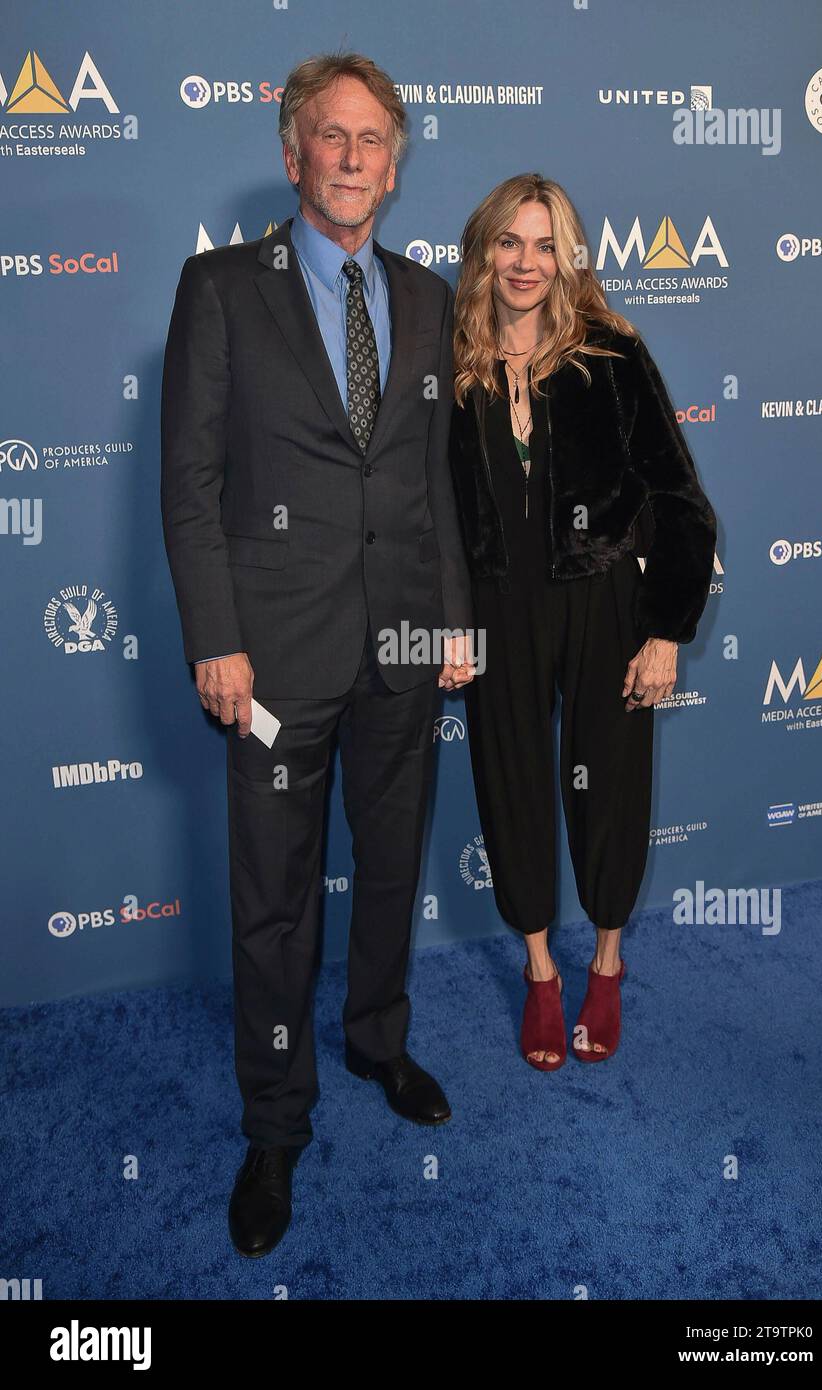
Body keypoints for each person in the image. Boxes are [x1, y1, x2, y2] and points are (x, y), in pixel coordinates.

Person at [160, 52, 475, 1258]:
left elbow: (435, 481)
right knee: (274, 904)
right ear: (294, 156)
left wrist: (450, 615)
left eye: (372, 140)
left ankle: (378, 1043)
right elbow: (189, 485)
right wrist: (216, 637)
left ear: (395, 164)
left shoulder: (431, 297)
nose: (352, 159)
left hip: (402, 641)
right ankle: (275, 1122)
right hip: (273, 657)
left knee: (390, 867)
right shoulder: (221, 287)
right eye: (330, 138)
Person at [448, 173, 716, 1071]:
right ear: (485, 248)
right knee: (512, 781)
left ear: (568, 256)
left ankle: (604, 961)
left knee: (610, 788)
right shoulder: (449, 362)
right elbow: (429, 514)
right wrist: (446, 620)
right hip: (496, 609)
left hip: (605, 603)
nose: (526, 263)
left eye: (544, 243)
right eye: (509, 242)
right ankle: (537, 971)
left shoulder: (608, 352)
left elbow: (678, 496)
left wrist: (664, 629)